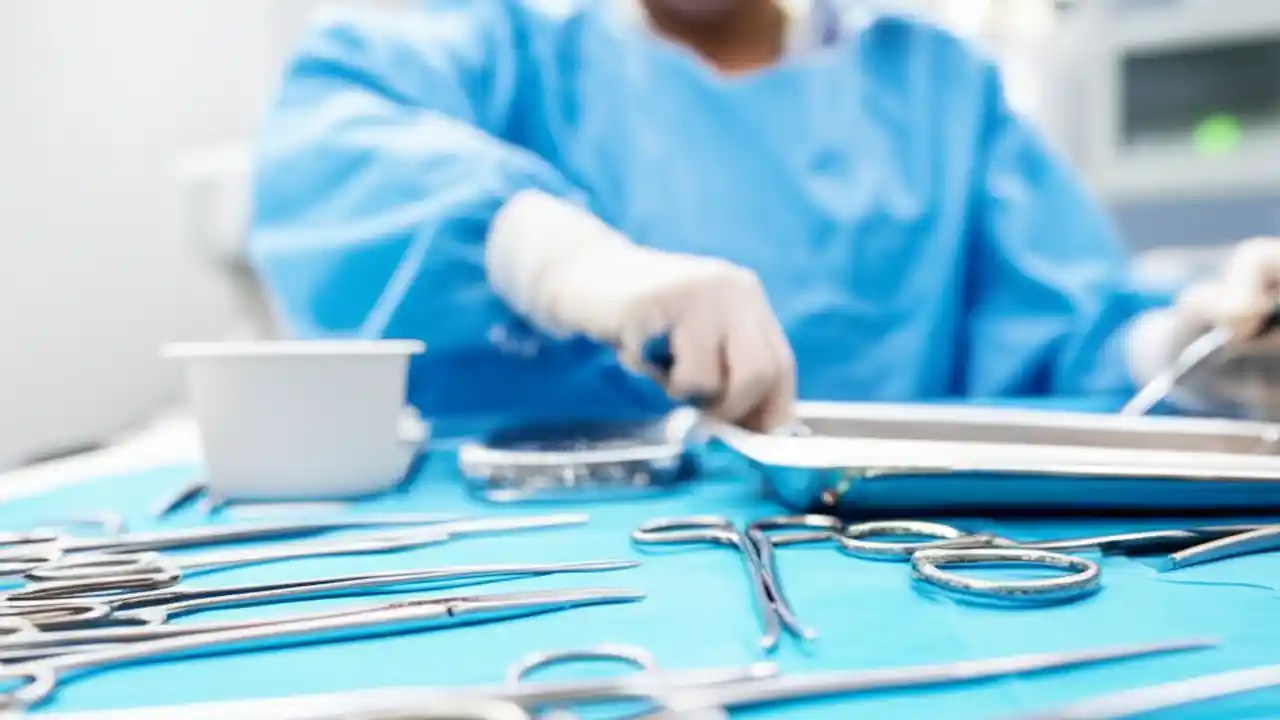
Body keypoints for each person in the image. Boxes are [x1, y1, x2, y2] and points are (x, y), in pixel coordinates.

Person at [250, 0, 1280, 432]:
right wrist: (555, 259)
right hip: (520, 557)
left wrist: (1194, 344)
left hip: (882, 570)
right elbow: (327, 150)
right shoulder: (503, 36)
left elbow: (1059, 336)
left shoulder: (929, 87)